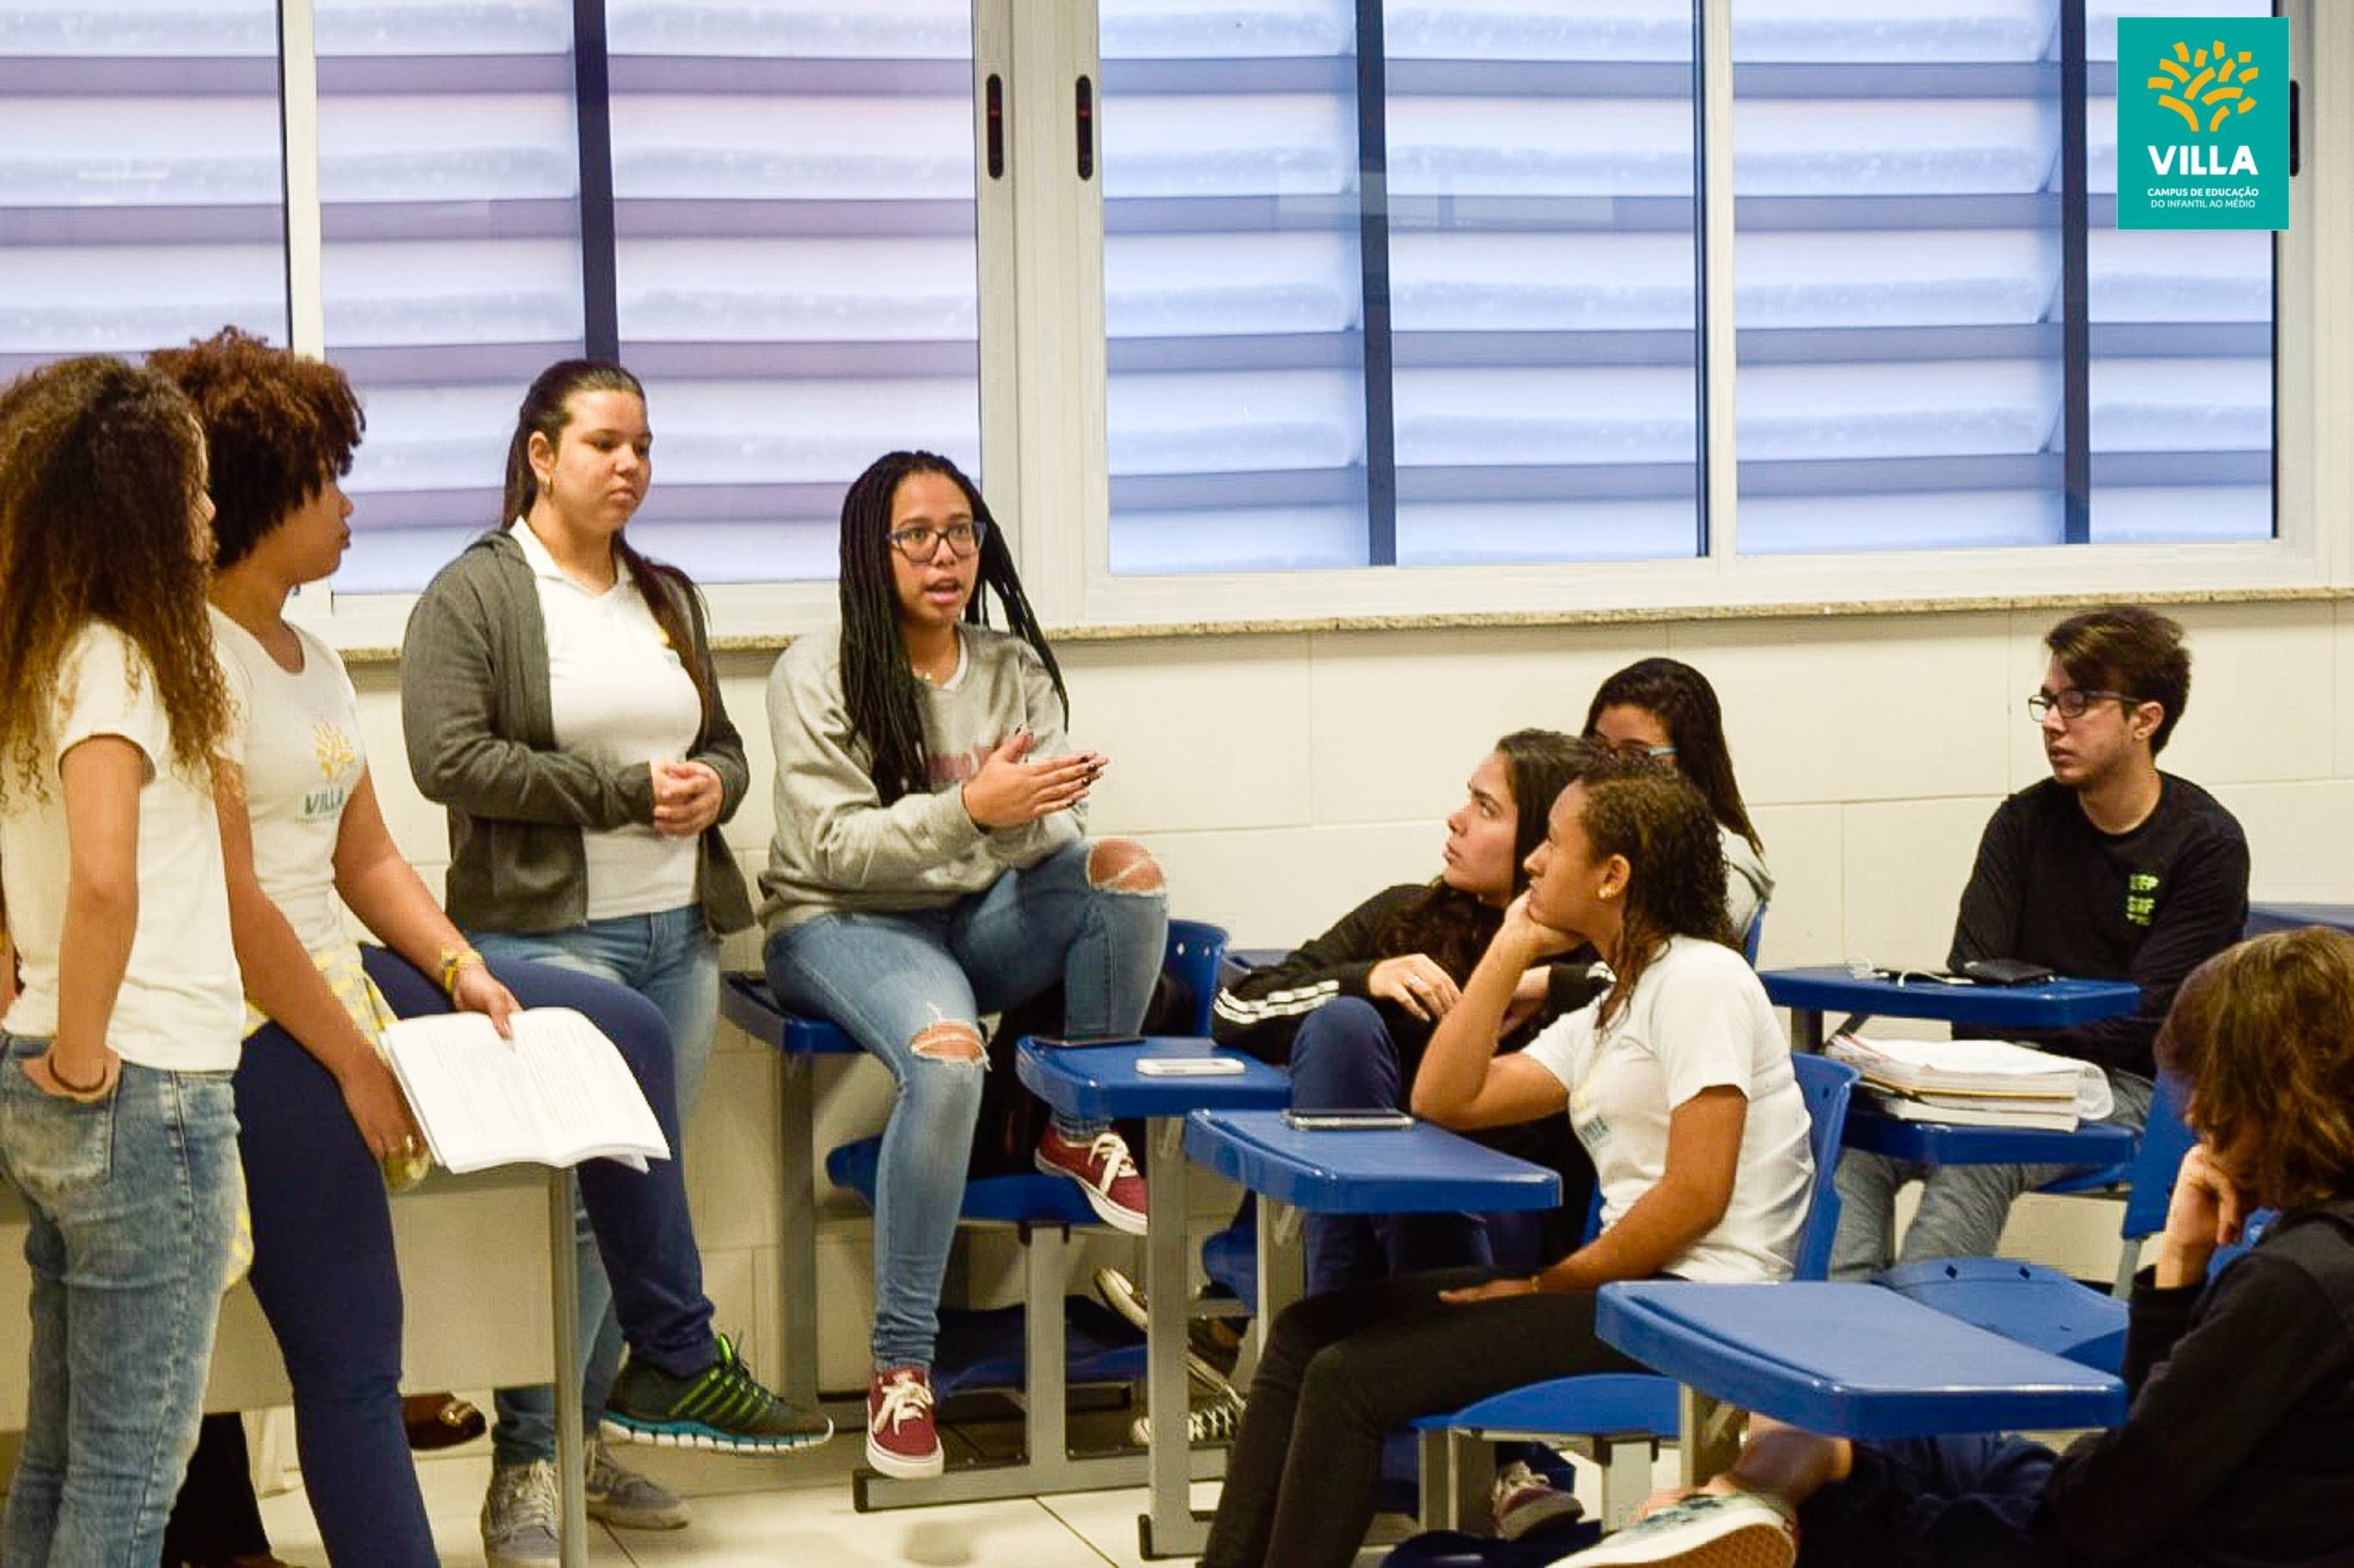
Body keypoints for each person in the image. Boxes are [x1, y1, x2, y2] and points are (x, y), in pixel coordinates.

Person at [146, 334, 822, 1568]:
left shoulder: (304, 658)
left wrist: (460, 968)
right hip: (249, 1005)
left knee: (618, 1028)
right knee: (357, 1350)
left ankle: (671, 1350)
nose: (349, 505)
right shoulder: (189, 659)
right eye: (326, 482)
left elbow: (366, 863)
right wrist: (358, 1059)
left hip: (340, 955)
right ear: (259, 497)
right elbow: (237, 905)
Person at [1565, 925, 2354, 1568]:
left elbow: (2103, 1510)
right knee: (1889, 1442)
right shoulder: (2316, 1259)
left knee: (1861, 1491)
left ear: (2274, 1092)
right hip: (2173, 1516)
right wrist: (2176, 1267)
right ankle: (1734, 1503)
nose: (2197, 1118)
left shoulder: (2293, 1283)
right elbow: (2149, 1438)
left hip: (2136, 1541)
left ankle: (1726, 1508)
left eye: (2213, 1091)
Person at [1197, 753, 1816, 1568]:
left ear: (1612, 875)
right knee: (1307, 1332)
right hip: (1633, 1295)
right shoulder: (1618, 998)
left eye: (1552, 844)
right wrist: (1512, 943)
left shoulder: (1702, 980)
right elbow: (1447, 1097)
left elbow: (1697, 1195)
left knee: (1350, 1379)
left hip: (1699, 1312)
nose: (1531, 860)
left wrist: (1544, 1285)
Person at [401, 358, 767, 1550]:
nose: (629, 466)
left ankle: (589, 1433)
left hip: (679, 940)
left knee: (640, 1202)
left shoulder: (664, 593)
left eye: (644, 446)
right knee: (567, 1215)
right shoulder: (475, 594)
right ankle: (526, 1462)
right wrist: (613, 793)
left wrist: (714, 784)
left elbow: (721, 742)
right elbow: (447, 758)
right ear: (541, 453)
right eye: (605, 443)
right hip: (548, 937)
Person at [761, 449, 1170, 1481]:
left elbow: (1041, 835)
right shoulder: (817, 669)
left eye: (962, 532)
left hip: (972, 916)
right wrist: (974, 809)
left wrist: (1038, 814)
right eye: (917, 535)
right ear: (872, 549)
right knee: (948, 1058)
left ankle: (1079, 1126)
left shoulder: (1011, 668)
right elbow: (834, 850)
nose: (945, 555)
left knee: (1125, 872)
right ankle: (903, 1368)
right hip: (846, 924)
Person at [0, 355, 244, 1563]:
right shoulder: (116, 659)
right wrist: (88, 1057)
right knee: (135, 1468)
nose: (211, 511)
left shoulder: (41, 654)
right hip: (137, 1084)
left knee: (60, 1453)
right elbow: (104, 876)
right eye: (193, 488)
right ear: (136, 507)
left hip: (72, 1071)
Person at [1831, 607, 2248, 1280]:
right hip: (2001, 1071)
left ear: (2144, 719)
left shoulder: (2204, 845)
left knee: (1984, 1151)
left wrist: (2030, 1031)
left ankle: (1917, 1350)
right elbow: (1968, 988)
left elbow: (2155, 1024)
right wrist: (2024, 1046)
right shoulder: (2020, 822)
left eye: (2078, 702)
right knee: (1852, 1132)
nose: (2053, 721)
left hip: (2134, 1090)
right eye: (2048, 701)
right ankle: (1843, 1323)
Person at [1204, 729, 1602, 1295]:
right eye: (1468, 798)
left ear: (1544, 837)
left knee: (1423, 1175)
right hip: (1380, 1219)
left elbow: (1664, 978)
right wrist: (1364, 978)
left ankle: (1346, 1320)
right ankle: (1340, 1306)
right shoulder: (1404, 916)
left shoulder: (1591, 954)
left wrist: (1543, 979)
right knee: (1344, 1022)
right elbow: (1235, 1005)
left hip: (1514, 1231)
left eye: (1485, 808)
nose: (1455, 819)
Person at [1582, 657, 1772, 941]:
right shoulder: (1590, 838)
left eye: (1636, 756)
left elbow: (1667, 964)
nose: (1610, 769)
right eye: (1598, 748)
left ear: (1689, 761)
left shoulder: (1724, 865)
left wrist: (1553, 977)